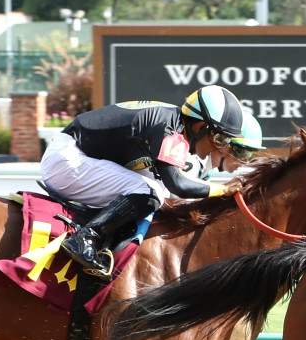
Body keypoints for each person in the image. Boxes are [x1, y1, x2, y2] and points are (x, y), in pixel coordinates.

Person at [41, 85, 247, 275]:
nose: (220, 149)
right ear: (199, 126)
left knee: (152, 190)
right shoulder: (170, 129)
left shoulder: (172, 122)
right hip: (68, 160)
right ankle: (85, 237)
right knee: (151, 193)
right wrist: (222, 190)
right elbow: (178, 185)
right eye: (220, 139)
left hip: (73, 156)